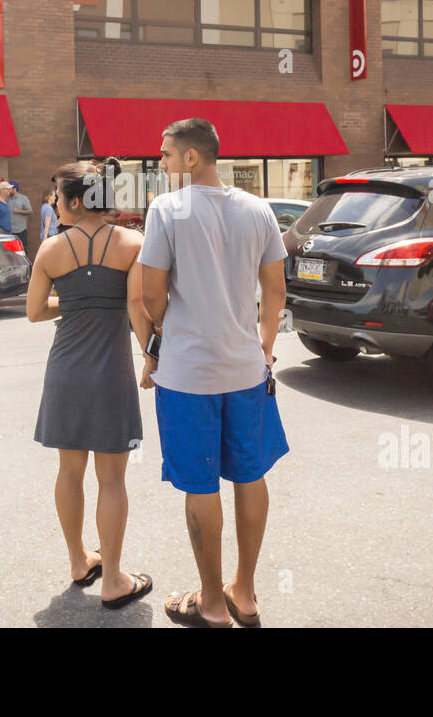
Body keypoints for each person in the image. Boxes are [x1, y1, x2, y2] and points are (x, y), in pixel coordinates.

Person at [139, 117, 289, 628]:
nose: (159, 163)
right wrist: (264, 348)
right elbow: (276, 292)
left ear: (191, 157)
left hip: (188, 377)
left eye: (164, 154)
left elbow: (150, 294)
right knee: (251, 474)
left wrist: (163, 334)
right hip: (247, 369)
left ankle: (209, 602)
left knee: (200, 485)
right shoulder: (258, 208)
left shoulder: (166, 210)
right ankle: (243, 594)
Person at [27, 157, 155, 610]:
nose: (53, 202)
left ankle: (79, 561)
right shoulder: (132, 243)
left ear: (77, 201)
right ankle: (114, 579)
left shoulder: (50, 249)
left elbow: (35, 312)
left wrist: (76, 303)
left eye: (57, 195)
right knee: (113, 479)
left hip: (65, 371)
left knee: (69, 471)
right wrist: (150, 357)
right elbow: (137, 304)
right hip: (111, 373)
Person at [8, 181, 34, 249]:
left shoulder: (23, 198)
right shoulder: (7, 199)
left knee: (23, 250)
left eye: (9, 188)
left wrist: (19, 211)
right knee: (12, 250)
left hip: (21, 230)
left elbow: (30, 211)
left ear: (14, 189)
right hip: (10, 230)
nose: (8, 190)